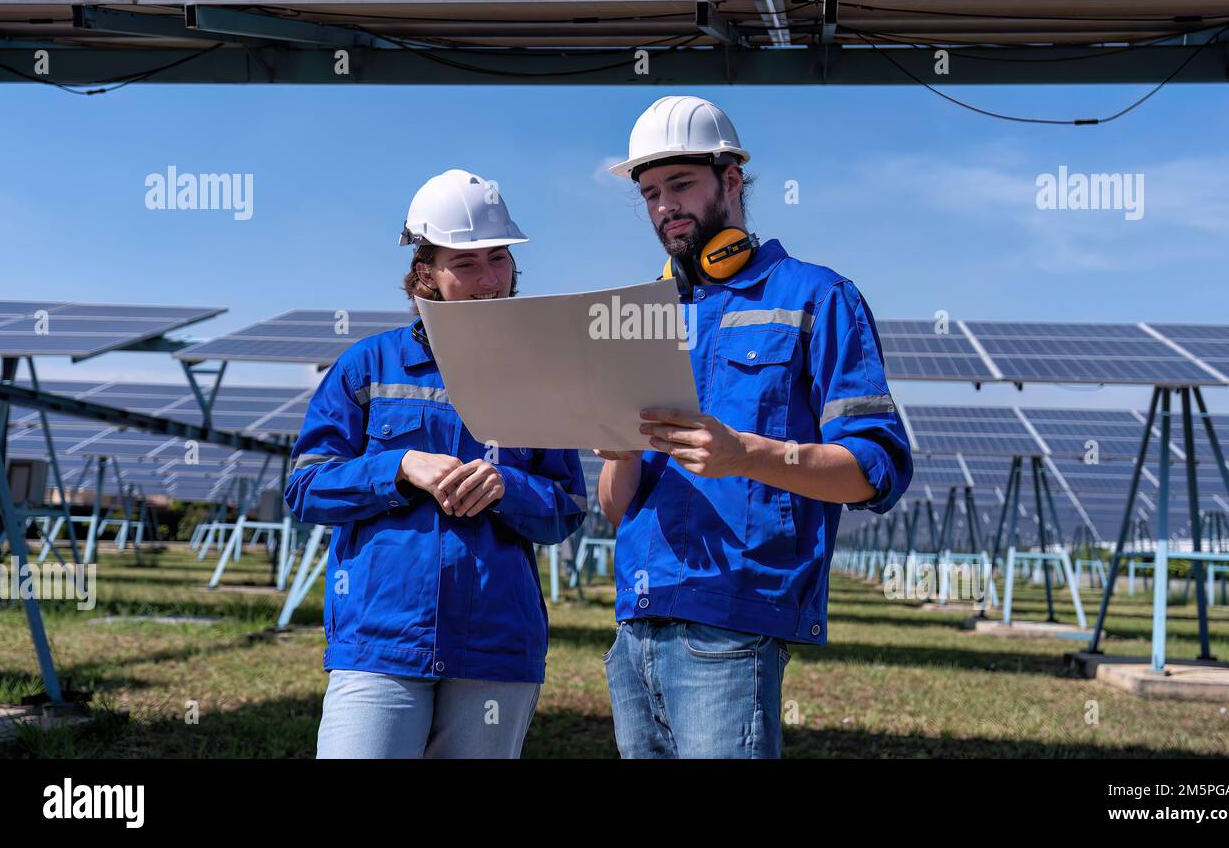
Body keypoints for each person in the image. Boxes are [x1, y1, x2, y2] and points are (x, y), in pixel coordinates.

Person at [594, 96, 913, 759]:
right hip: (635, 627)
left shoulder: (817, 297)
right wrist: (620, 454)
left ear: (732, 181)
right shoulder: (642, 313)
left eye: (680, 184)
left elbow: (875, 471)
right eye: (650, 193)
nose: (663, 207)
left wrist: (746, 453)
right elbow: (614, 506)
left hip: (734, 622)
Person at [286, 168, 587, 758]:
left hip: (496, 648)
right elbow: (305, 485)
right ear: (425, 272)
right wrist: (398, 468)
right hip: (381, 643)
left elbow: (567, 508)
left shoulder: (538, 374)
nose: (489, 281)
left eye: (498, 259)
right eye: (466, 264)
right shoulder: (367, 366)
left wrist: (507, 487)